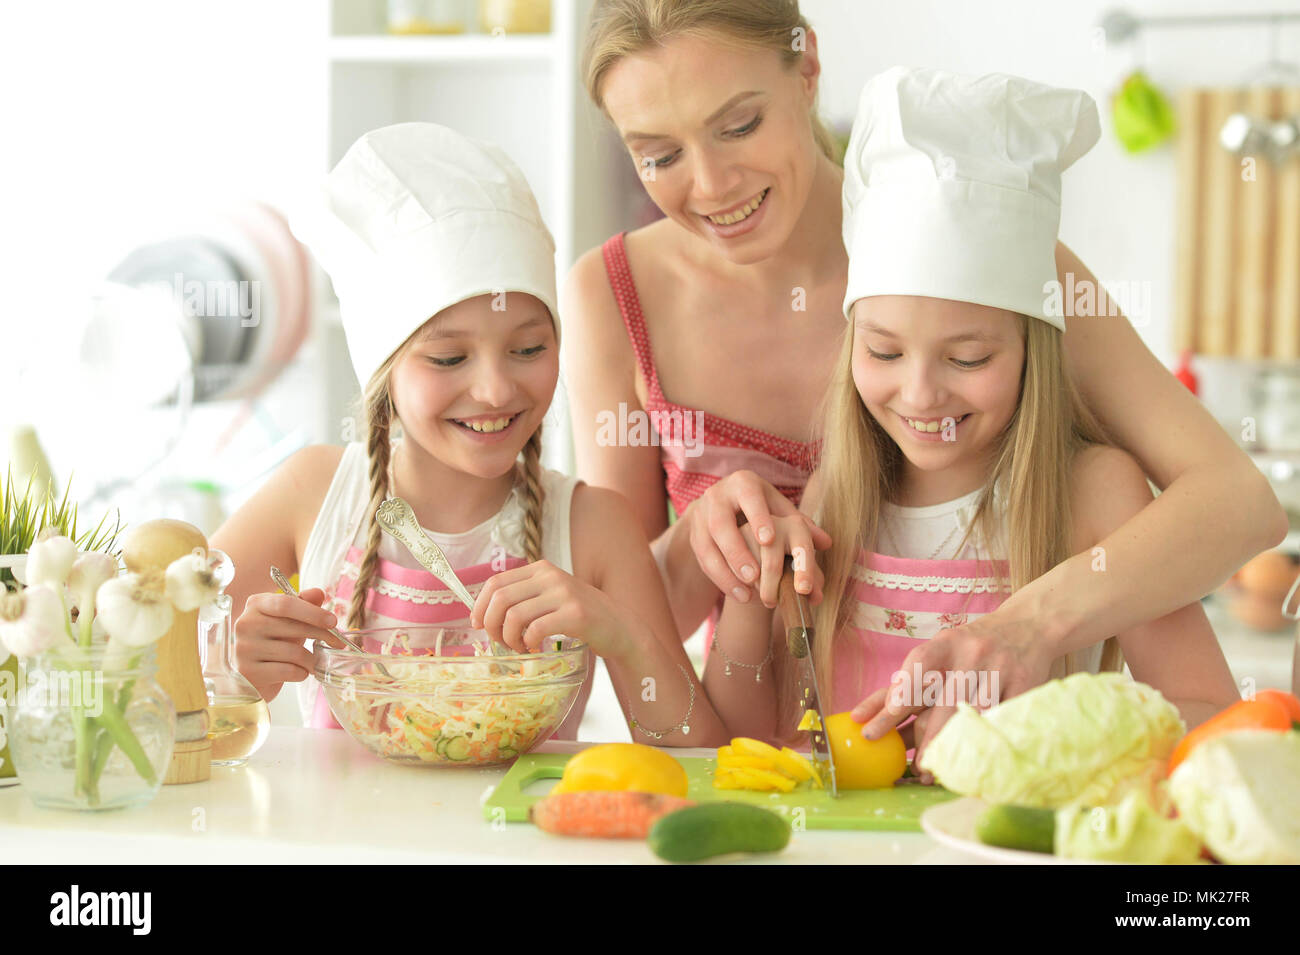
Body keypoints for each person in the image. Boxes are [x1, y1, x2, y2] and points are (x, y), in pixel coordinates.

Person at [562, 0, 1283, 752]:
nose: (710, 185)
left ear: (808, 67)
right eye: (659, 155)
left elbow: (1239, 504)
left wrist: (1027, 626)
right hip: (780, 758)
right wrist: (707, 543)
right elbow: (631, 627)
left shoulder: (978, 248)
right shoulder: (610, 296)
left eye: (739, 125)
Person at [702, 67, 1242, 774]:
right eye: (885, 350)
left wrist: (1052, 746)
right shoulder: (840, 496)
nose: (921, 393)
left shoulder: (1094, 494)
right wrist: (746, 587)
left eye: (968, 356)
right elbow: (751, 740)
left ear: (1031, 350)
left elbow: (1216, 720)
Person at [211, 122, 726, 746]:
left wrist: (622, 634)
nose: (495, 391)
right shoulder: (312, 493)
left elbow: (698, 762)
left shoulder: (594, 527)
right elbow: (153, 697)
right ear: (384, 372)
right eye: (449, 359)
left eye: (528, 348)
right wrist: (234, 675)